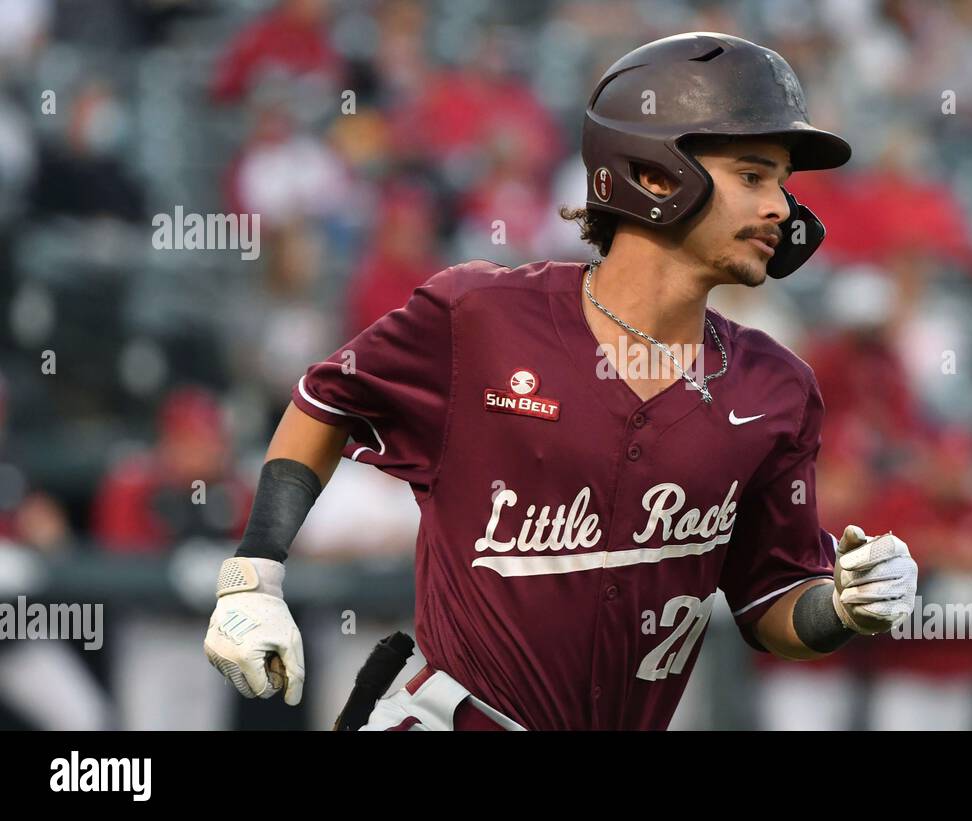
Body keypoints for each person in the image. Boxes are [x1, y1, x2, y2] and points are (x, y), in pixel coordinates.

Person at [202, 32, 918, 731]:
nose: (781, 209)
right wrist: (254, 573)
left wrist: (844, 606)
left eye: (783, 186)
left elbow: (772, 600)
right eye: (753, 176)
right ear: (656, 173)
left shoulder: (776, 386)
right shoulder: (482, 315)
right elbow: (326, 401)